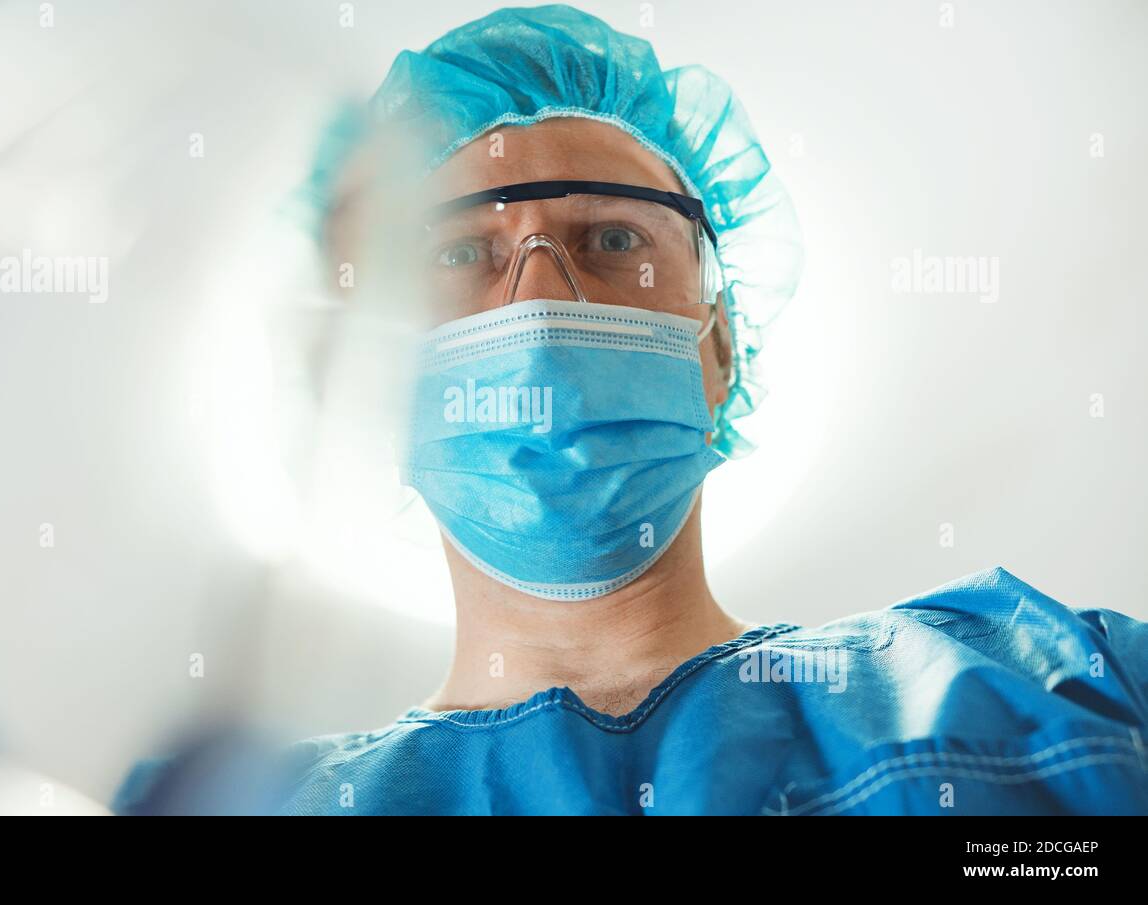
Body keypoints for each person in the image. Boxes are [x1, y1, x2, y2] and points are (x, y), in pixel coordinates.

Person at [115, 4, 1148, 816]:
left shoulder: (1061, 684)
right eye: (451, 254)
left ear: (720, 344)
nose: (536, 298)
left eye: (610, 240)